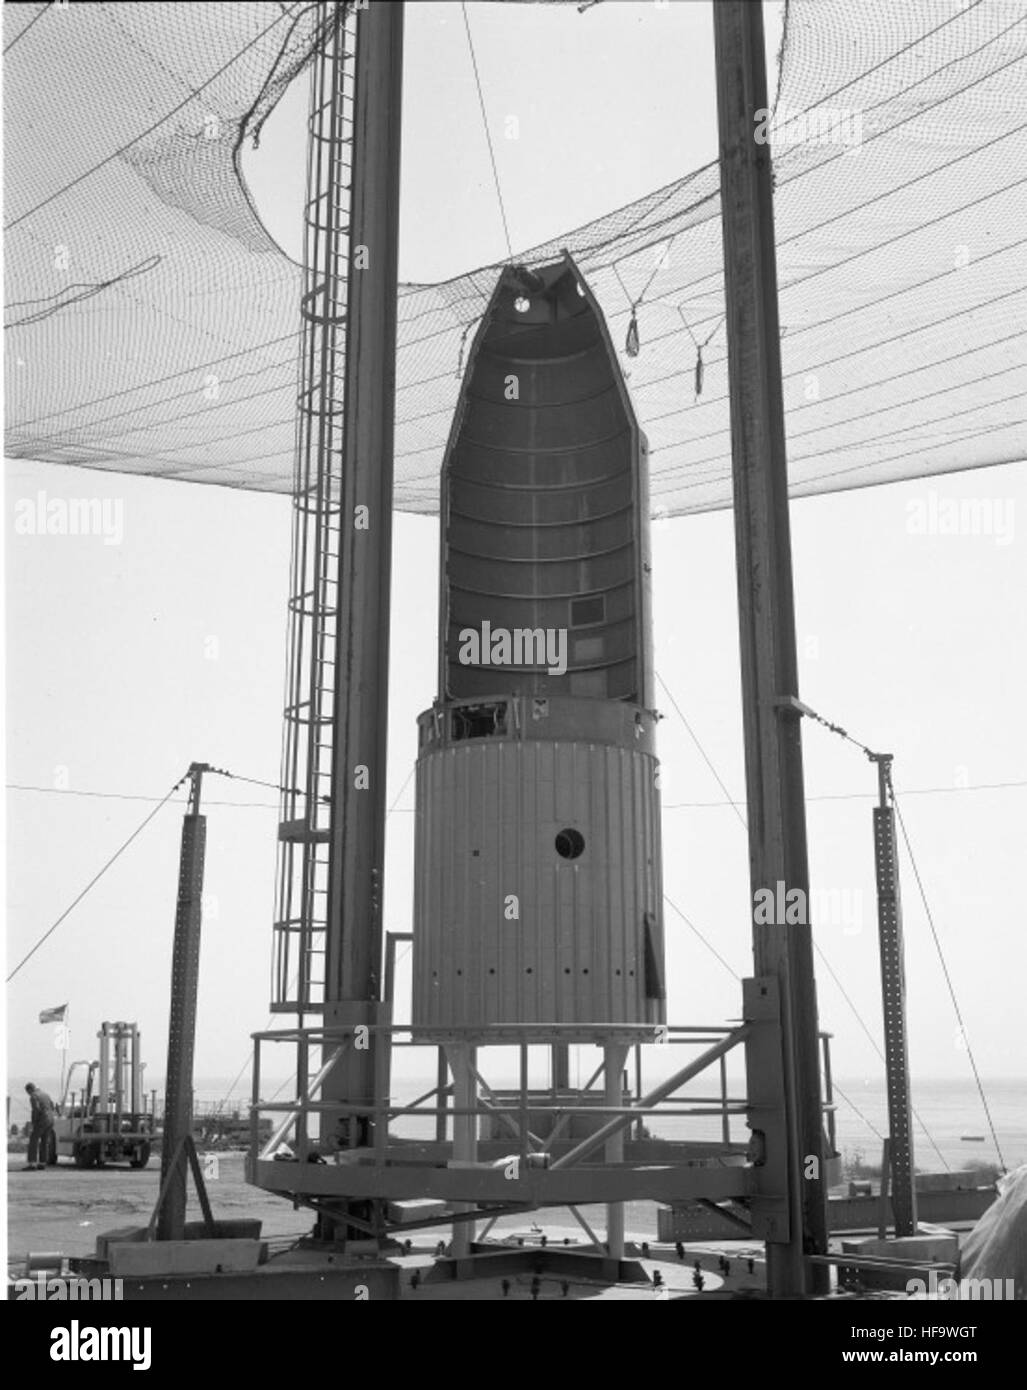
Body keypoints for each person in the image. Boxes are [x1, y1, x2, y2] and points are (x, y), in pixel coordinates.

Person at [25, 1083, 55, 1170]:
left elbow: (36, 1109)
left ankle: (32, 1163)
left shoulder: (33, 1096)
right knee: (44, 1141)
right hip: (51, 1120)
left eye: (28, 1092)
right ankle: (42, 1163)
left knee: (33, 1140)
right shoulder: (46, 1094)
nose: (29, 1095)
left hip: (42, 1120)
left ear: (29, 1090)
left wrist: (34, 1121)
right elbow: (52, 1106)